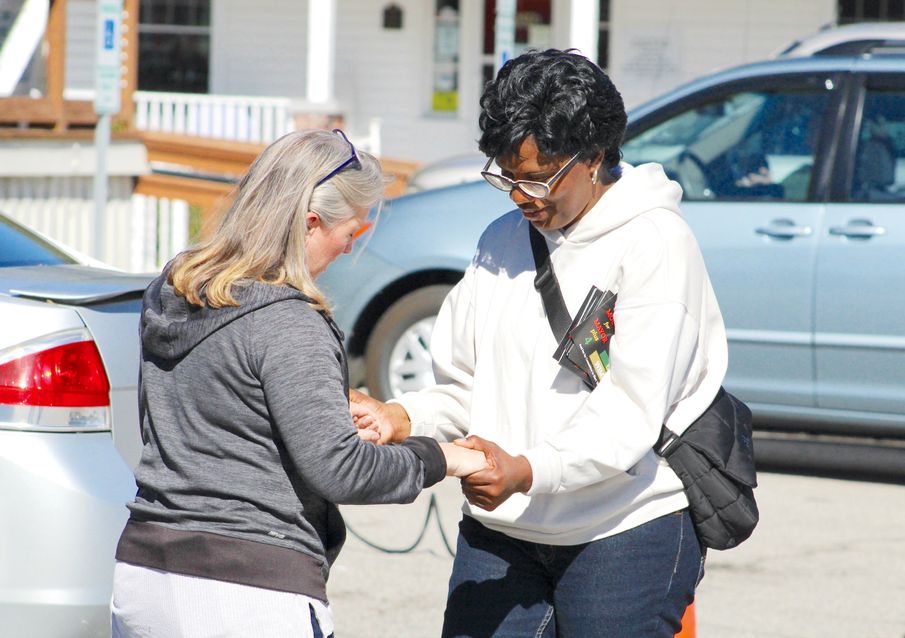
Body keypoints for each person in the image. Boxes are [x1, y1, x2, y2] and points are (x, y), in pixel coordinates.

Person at [352, 49, 728, 637]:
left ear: (596, 155)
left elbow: (631, 413)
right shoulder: (500, 241)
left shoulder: (655, 243)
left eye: (539, 176)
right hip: (503, 530)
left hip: (625, 530)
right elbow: (466, 389)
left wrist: (527, 470)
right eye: (506, 176)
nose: (522, 195)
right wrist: (401, 416)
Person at [110, 129, 487, 638]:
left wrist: (321, 414)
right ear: (310, 223)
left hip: (144, 574)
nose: (350, 250)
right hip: (247, 590)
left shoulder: (172, 292)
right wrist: (443, 457)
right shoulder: (288, 322)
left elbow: (209, 423)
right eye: (351, 234)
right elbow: (340, 471)